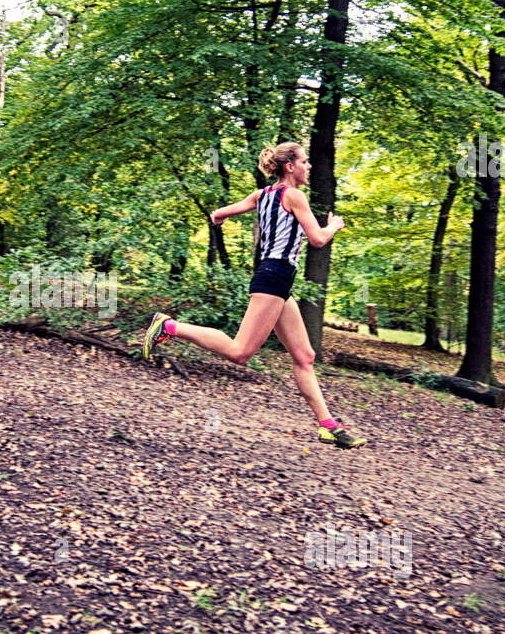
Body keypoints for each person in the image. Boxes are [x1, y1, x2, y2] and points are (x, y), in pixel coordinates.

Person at [142, 141, 367, 448]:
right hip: (273, 277)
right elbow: (316, 239)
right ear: (290, 167)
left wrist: (219, 217)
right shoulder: (295, 196)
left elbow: (218, 213)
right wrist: (334, 226)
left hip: (279, 280)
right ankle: (169, 327)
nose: (309, 167)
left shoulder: (262, 195)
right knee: (240, 353)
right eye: (305, 161)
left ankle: (328, 426)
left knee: (305, 356)